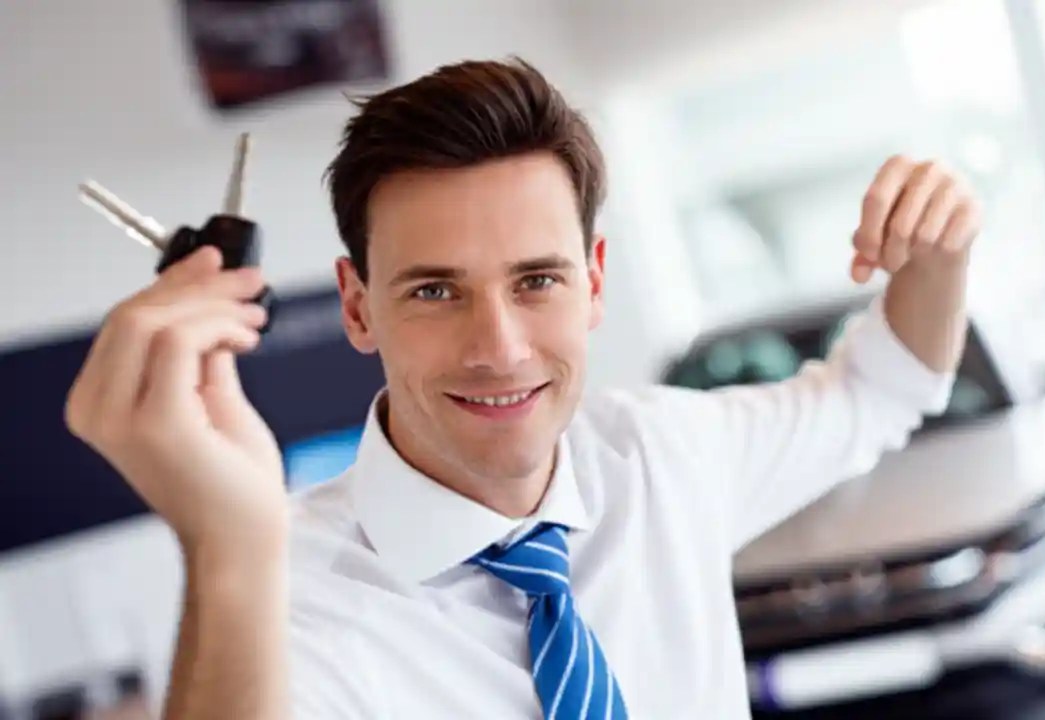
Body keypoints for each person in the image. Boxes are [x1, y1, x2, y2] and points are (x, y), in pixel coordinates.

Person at [64, 58, 980, 719]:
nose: (497, 349)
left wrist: (941, 256)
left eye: (536, 280)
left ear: (595, 281)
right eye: (434, 291)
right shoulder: (282, 604)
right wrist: (230, 547)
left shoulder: (664, 454)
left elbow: (883, 390)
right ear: (357, 307)